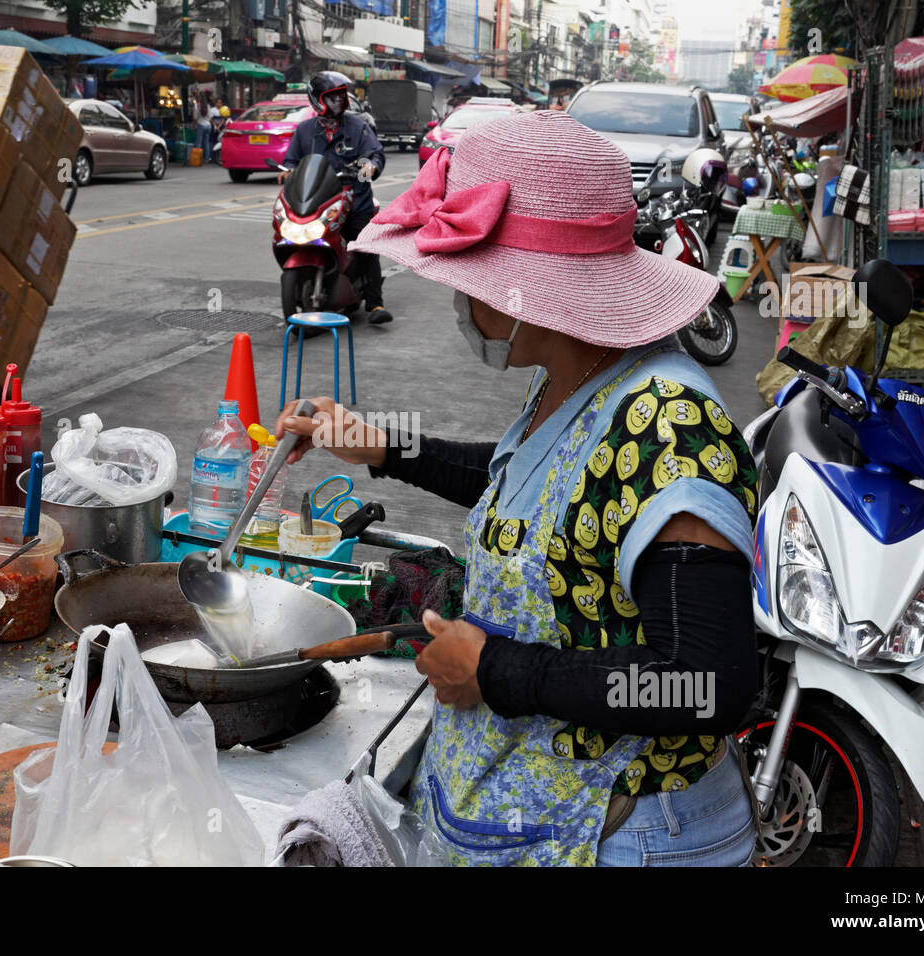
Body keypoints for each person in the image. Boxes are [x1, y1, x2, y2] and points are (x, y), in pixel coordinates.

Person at [276, 109, 760, 867]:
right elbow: (541, 500)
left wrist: (497, 671)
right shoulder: (576, 377)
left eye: (466, 280)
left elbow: (708, 684)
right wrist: (380, 444)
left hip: (630, 835)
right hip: (544, 810)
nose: (458, 301)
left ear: (522, 290)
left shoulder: (672, 428)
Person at [279, 71, 393, 324]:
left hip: (355, 200)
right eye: (332, 97)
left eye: (341, 97)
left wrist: (370, 167)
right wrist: (287, 172)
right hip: (317, 199)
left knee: (364, 245)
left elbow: (375, 153)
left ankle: (375, 303)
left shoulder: (358, 126)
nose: (339, 102)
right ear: (318, 99)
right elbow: (291, 161)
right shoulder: (305, 130)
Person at [193, 91, 213, 165]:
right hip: (208, 126)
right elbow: (210, 117)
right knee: (206, 143)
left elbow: (195, 117)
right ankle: (207, 159)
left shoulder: (197, 106)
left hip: (200, 125)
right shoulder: (208, 106)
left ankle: (197, 160)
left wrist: (194, 125)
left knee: (199, 143)